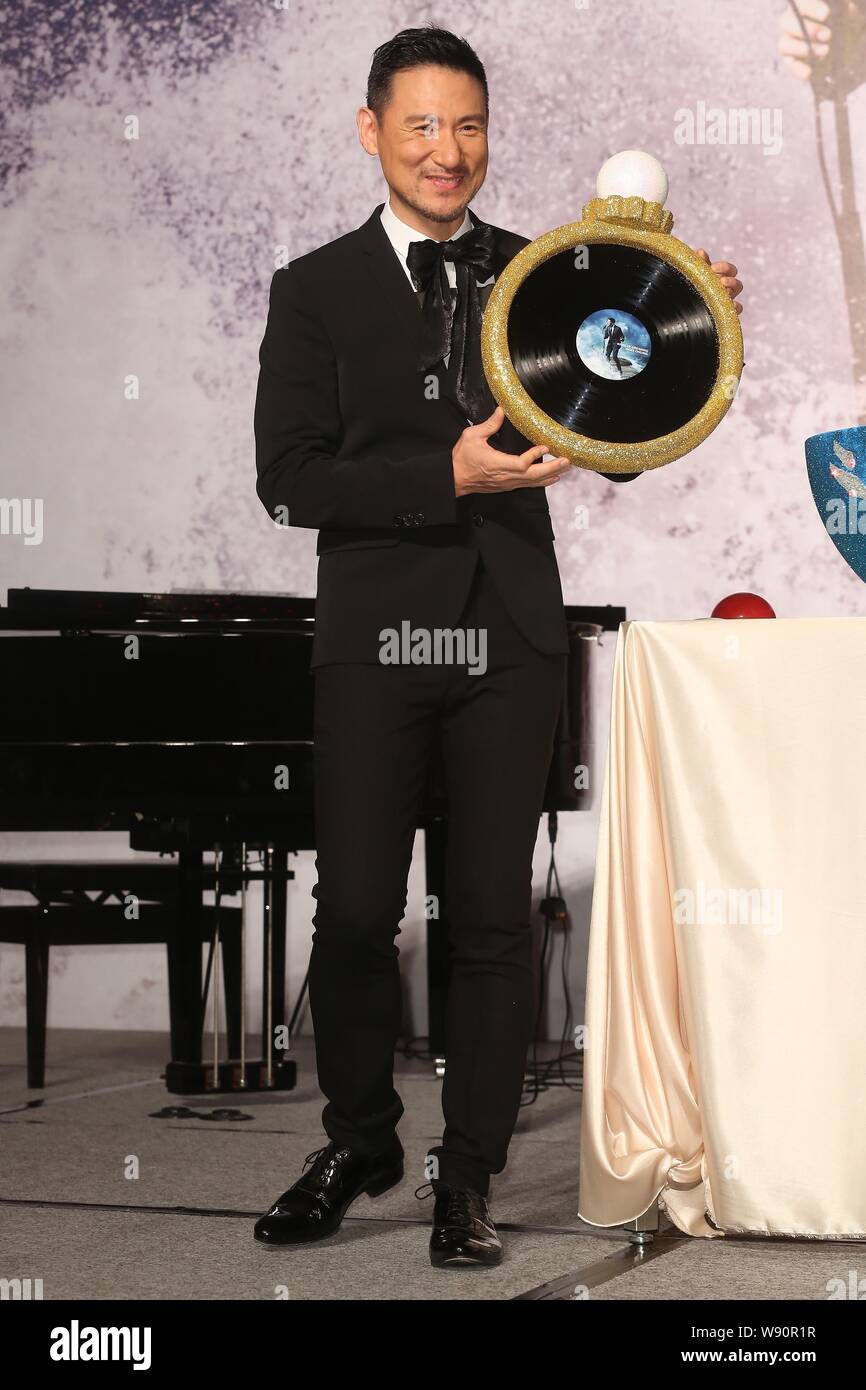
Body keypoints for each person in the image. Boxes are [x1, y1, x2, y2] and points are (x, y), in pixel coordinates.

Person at [252, 24, 743, 1268]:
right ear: (371, 132)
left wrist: (679, 324)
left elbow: (622, 438)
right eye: (418, 125)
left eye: (465, 125)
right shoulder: (312, 289)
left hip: (510, 637)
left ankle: (461, 1176)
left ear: (486, 131)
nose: (445, 150)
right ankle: (360, 1138)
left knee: (489, 923)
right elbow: (287, 478)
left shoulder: (552, 273)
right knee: (356, 914)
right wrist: (444, 473)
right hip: (375, 638)